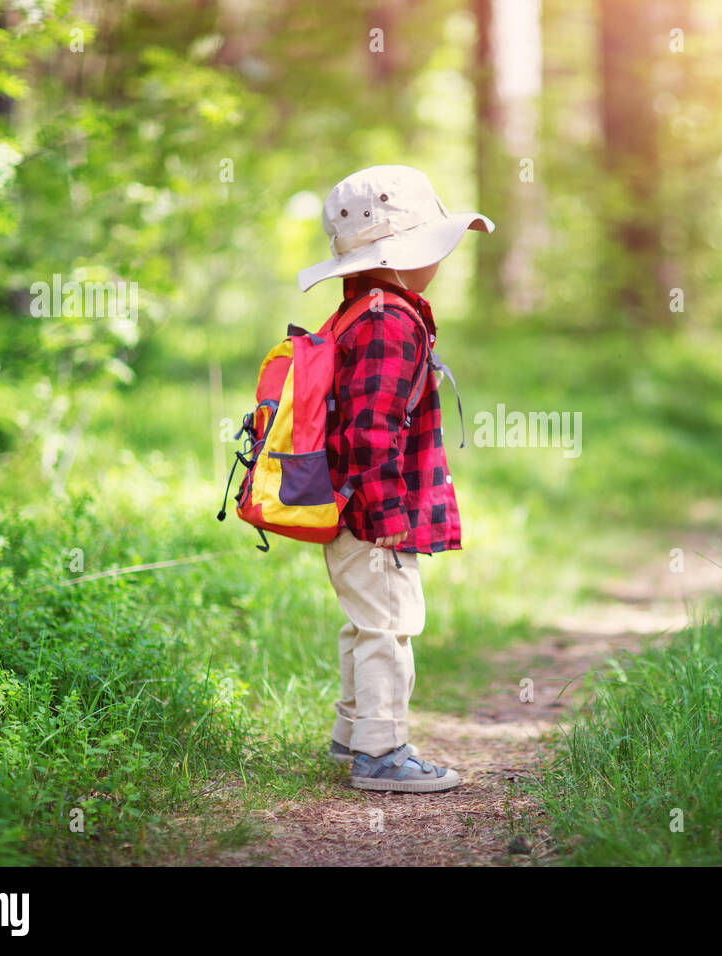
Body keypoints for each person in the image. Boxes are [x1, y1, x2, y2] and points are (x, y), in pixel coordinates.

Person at [296, 165, 494, 793]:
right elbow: (370, 430)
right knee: (390, 624)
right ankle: (381, 755)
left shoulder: (361, 310)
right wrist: (386, 516)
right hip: (372, 513)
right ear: (405, 256)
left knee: (368, 620)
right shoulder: (389, 322)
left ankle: (353, 736)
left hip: (351, 506)